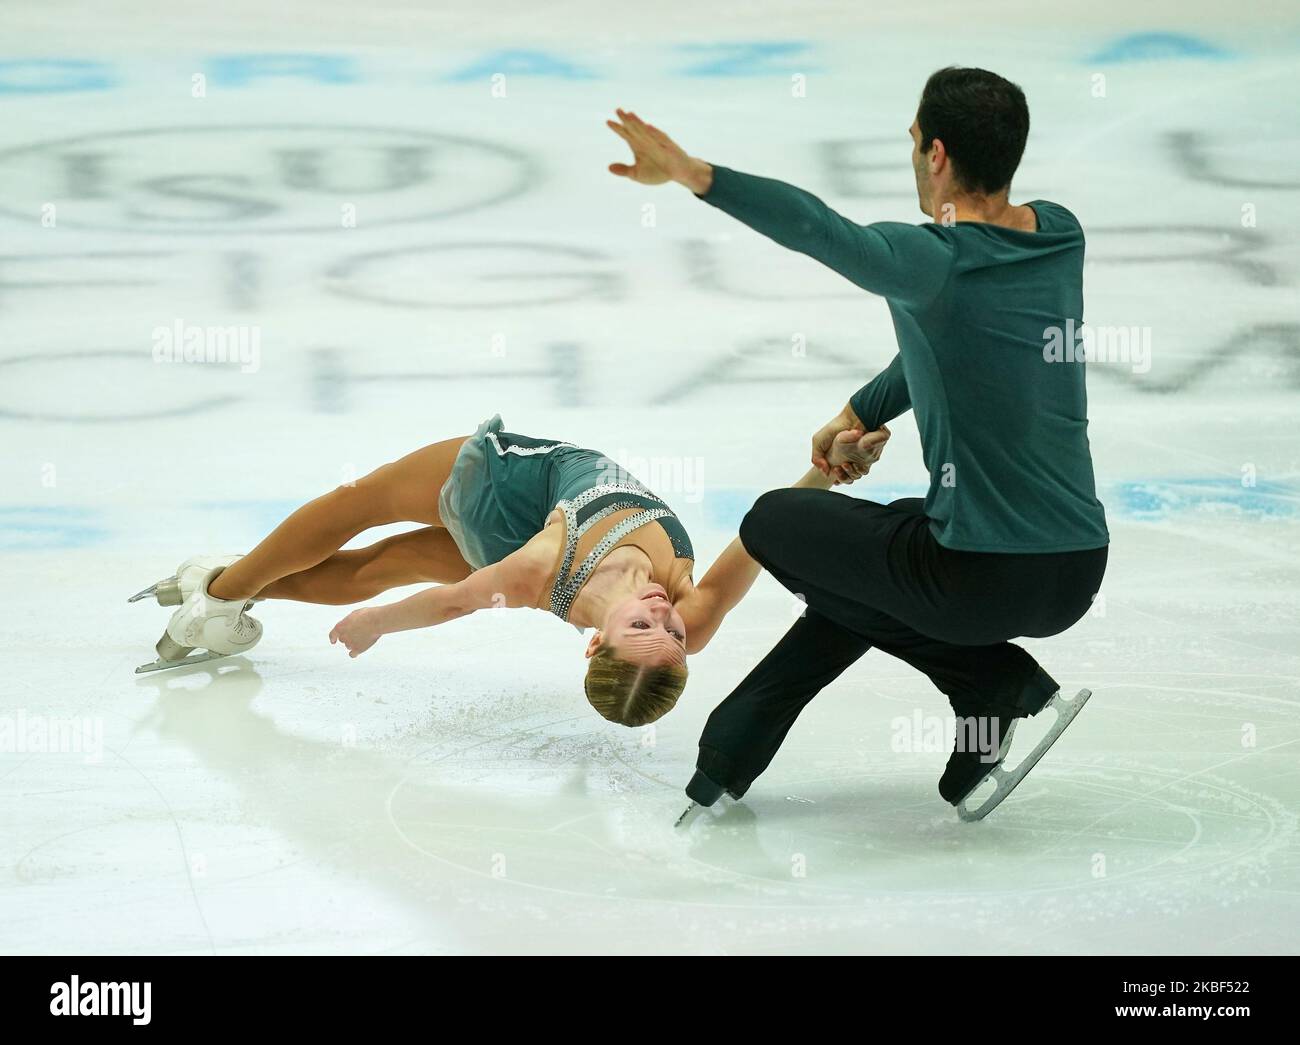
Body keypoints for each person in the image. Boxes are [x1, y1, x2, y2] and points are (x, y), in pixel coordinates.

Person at [605, 66, 1109, 811]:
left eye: (913, 141)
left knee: (773, 522)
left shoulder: (932, 258)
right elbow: (968, 344)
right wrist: (858, 411)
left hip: (979, 584)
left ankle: (989, 680)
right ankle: (737, 741)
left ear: (936, 154)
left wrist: (693, 174)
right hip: (1076, 570)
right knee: (872, 552)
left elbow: (816, 228)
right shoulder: (1060, 234)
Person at [135, 414, 888, 728]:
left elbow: (458, 602)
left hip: (500, 492)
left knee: (360, 510)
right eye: (670, 630)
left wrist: (377, 624)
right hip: (530, 514)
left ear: (594, 643)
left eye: (641, 625)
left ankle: (219, 591)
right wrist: (827, 468)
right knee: (372, 565)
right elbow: (768, 530)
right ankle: (217, 582)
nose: (663, 611)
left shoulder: (536, 570)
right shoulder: (689, 615)